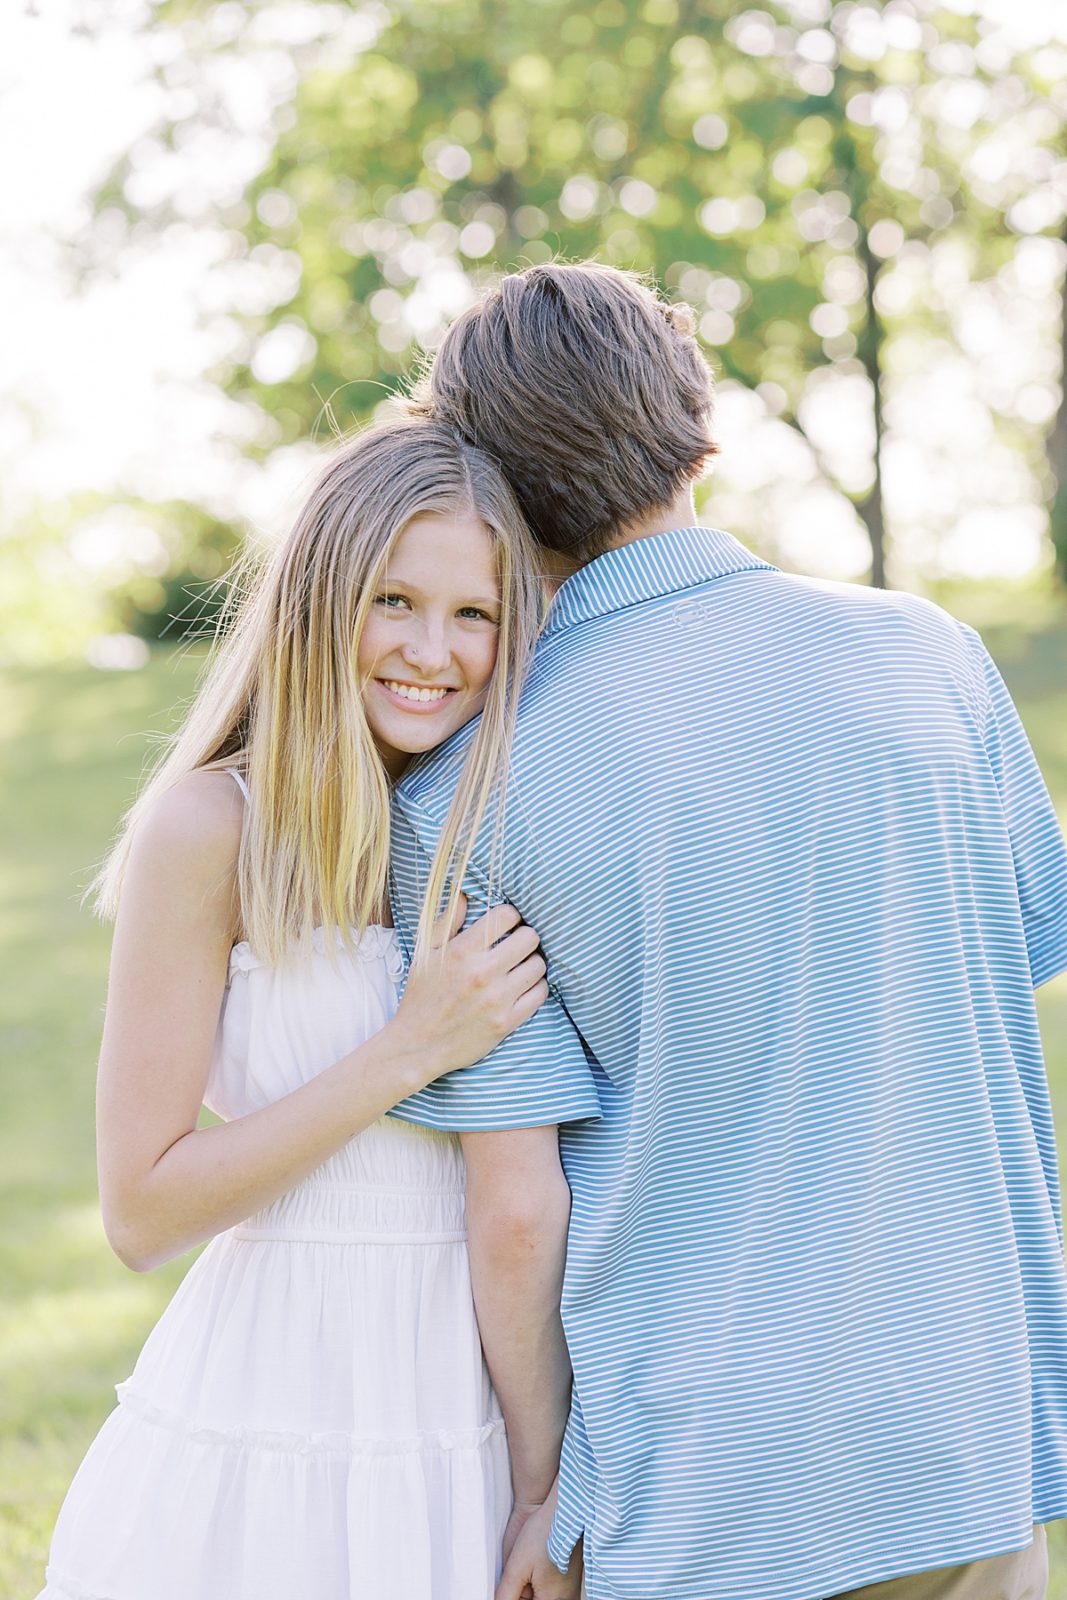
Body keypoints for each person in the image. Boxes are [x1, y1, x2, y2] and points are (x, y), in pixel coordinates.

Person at [386, 262, 1067, 1600]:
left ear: (481, 481)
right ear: (700, 424)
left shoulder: (470, 784)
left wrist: (541, 1495)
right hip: (965, 1438)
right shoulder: (927, 657)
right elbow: (996, 977)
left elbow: (514, 1209)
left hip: (704, 1487)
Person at [36, 416, 578, 1600]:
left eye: (473, 613)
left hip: (461, 1398)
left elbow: (523, 1194)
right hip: (264, 1393)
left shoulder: (506, 822)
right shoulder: (209, 830)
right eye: (393, 599)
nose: (431, 651)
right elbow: (142, 1210)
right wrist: (401, 1053)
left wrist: (546, 1478)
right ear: (321, 599)